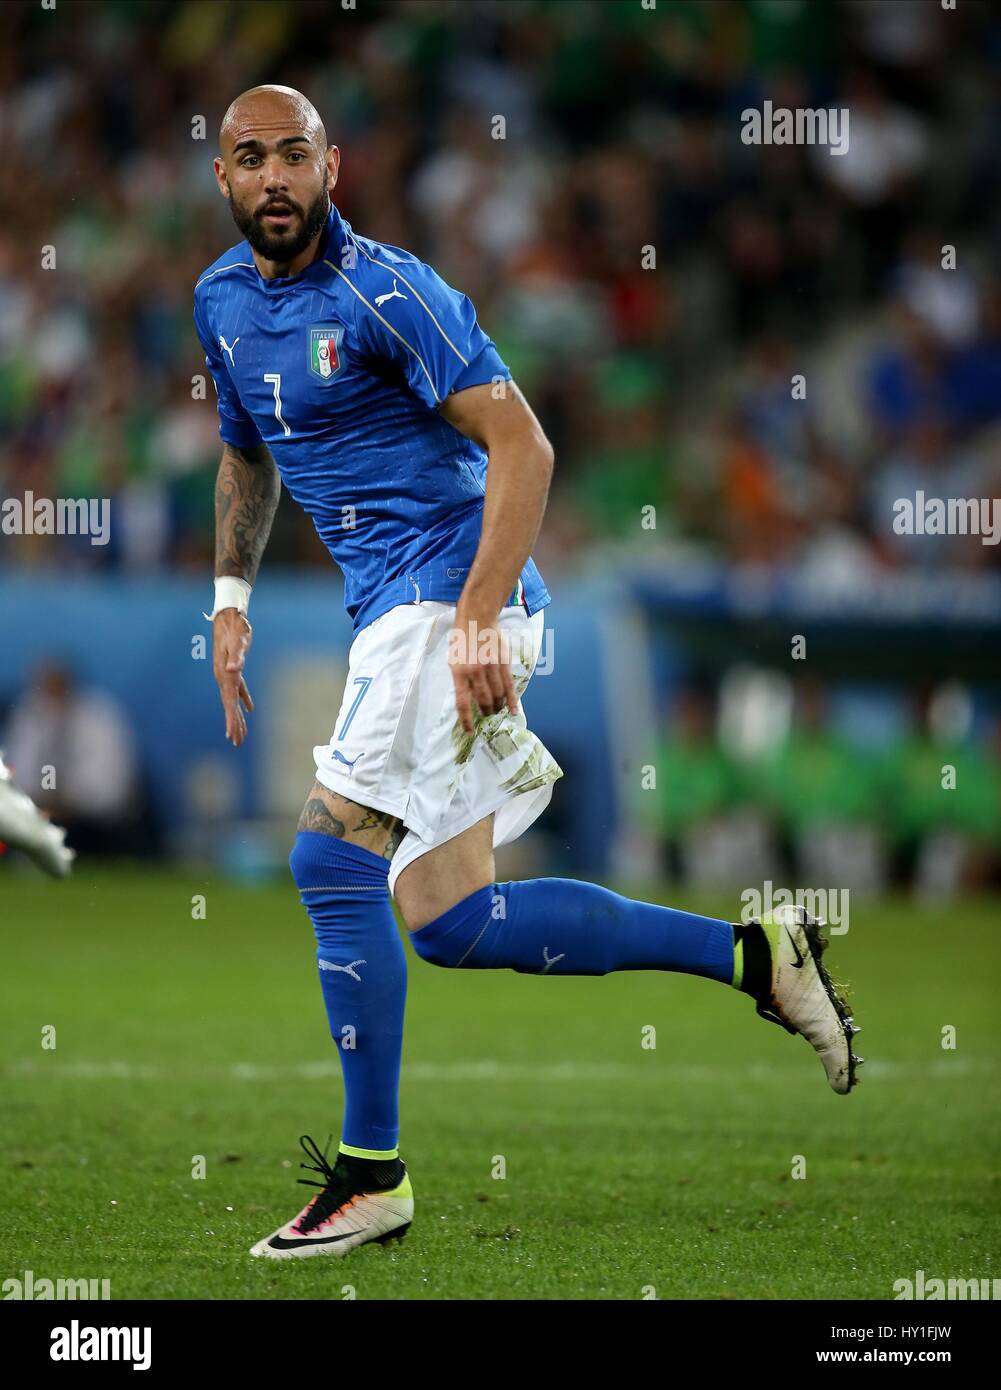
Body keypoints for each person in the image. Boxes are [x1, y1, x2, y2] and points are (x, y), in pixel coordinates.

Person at [195, 86, 862, 1262]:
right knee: (445, 916)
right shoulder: (219, 303)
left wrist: (477, 618)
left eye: (294, 153)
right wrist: (232, 599)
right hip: (396, 613)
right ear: (224, 179)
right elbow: (245, 455)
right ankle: (755, 955)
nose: (275, 178)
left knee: (324, 850)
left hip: (449, 596)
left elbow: (525, 444)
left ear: (332, 163)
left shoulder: (392, 291)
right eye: (250, 159)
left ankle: (370, 1176)